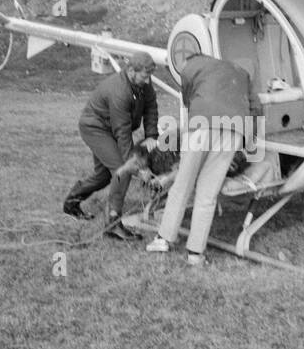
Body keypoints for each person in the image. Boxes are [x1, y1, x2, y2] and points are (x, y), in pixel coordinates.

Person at [146, 53, 261, 266]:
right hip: (233, 129)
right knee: (208, 193)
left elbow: (188, 99)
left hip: (201, 124)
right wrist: (248, 141)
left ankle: (164, 239)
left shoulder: (190, 67)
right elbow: (257, 108)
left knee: (182, 184)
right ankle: (195, 254)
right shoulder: (241, 72)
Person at [62, 51, 160, 239]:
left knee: (103, 176)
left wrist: (151, 136)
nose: (148, 81)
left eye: (149, 77)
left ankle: (72, 201)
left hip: (111, 128)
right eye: (144, 76)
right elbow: (122, 134)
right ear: (131, 70)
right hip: (96, 128)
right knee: (120, 171)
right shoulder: (119, 91)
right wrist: (137, 166)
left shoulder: (144, 84)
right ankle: (113, 224)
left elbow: (151, 107)